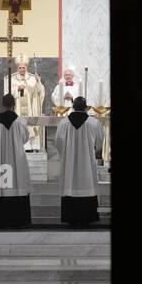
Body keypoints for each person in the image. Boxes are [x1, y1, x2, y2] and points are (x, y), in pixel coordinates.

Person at [0, 93, 31, 228]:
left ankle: (0, 221)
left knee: (2, 187)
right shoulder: (20, 122)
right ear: (14, 104)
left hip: (1, 161)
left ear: (3, 104)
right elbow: (25, 139)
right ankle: (18, 221)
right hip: (17, 159)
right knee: (17, 185)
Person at [55, 96, 100, 226]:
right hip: (87, 162)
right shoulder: (94, 123)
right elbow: (98, 144)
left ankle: (71, 217)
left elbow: (58, 144)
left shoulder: (63, 123)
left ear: (73, 106)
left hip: (69, 163)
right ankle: (88, 217)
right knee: (88, 184)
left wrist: (68, 152)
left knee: (70, 183)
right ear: (86, 107)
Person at [3, 58, 45, 151]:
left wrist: (38, 81)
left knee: (30, 126)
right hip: (17, 109)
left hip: (30, 109)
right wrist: (17, 89)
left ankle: (32, 147)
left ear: (26, 68)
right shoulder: (12, 80)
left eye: (24, 67)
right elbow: (7, 95)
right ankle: (19, 145)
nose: (22, 69)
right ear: (17, 68)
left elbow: (39, 92)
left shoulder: (33, 79)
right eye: (20, 67)